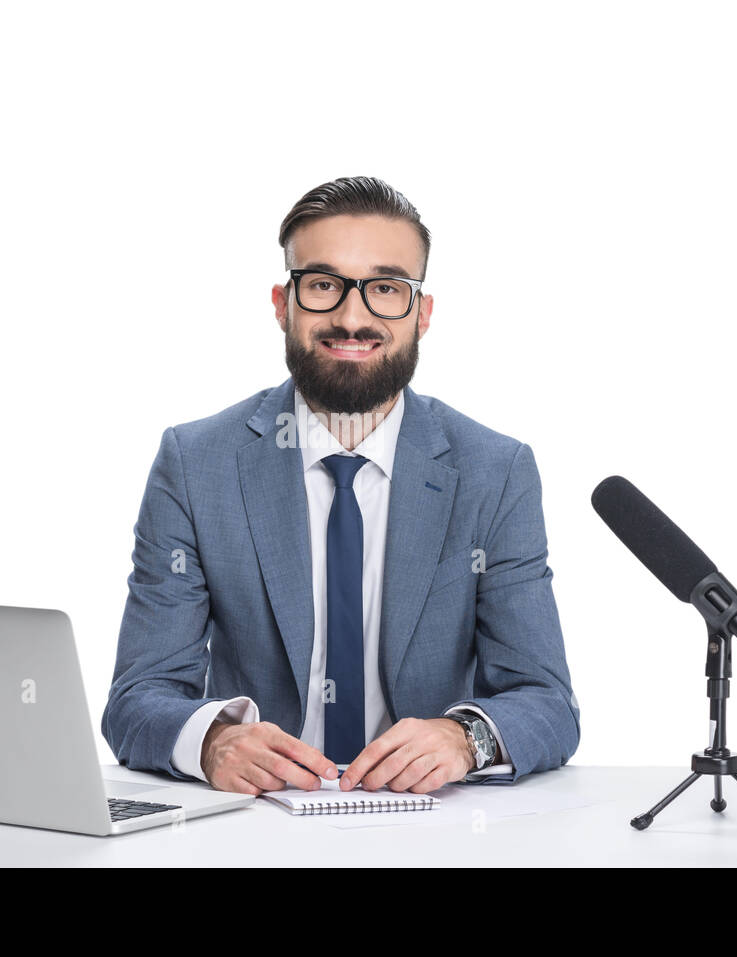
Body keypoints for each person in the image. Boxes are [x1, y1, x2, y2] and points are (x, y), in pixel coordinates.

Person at [102, 175, 579, 795]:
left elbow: (548, 702)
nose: (352, 318)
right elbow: (137, 699)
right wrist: (214, 741)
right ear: (283, 304)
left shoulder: (496, 470)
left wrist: (466, 739)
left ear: (422, 314)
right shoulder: (196, 464)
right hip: (255, 824)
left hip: (434, 829)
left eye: (385, 288)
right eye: (323, 285)